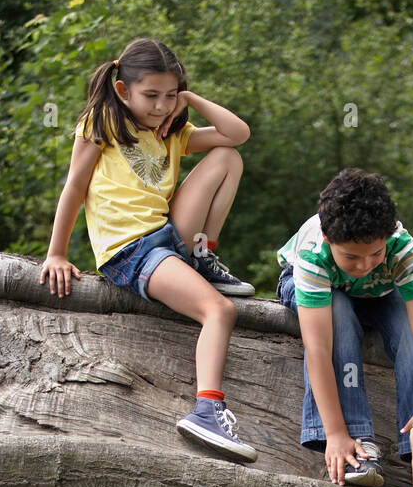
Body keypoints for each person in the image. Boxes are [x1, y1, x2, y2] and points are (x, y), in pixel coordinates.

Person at [39, 36, 256, 461]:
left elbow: (238, 133)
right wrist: (56, 254)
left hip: (169, 235)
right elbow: (74, 188)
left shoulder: (174, 131)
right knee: (220, 311)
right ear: (124, 90)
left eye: (170, 95)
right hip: (131, 251)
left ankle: (202, 256)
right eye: (150, 95)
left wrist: (189, 98)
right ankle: (207, 410)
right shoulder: (104, 121)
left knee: (228, 157)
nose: (160, 105)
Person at [276, 168, 413, 487]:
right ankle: (356, 440)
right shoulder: (313, 254)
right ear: (328, 238)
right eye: (351, 256)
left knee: (411, 330)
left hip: (379, 293)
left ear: (388, 238)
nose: (364, 264)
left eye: (375, 255)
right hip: (320, 290)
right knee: (339, 314)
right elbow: (319, 349)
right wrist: (335, 433)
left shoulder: (399, 244)